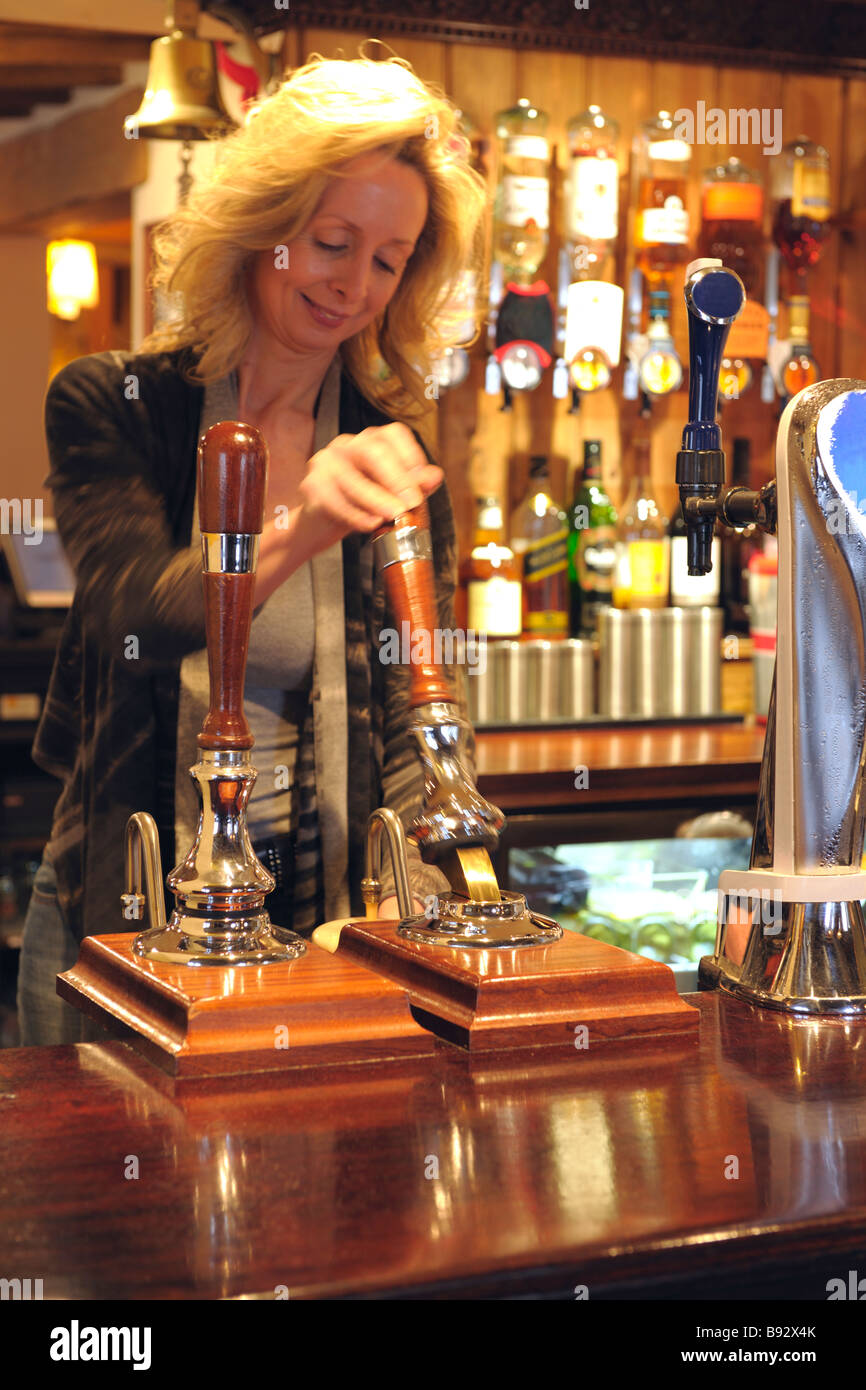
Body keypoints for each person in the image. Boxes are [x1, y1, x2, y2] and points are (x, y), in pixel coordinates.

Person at [17, 54, 488, 1045]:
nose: (353, 283)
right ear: (264, 224)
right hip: (124, 909)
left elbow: (416, 696)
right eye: (331, 241)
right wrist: (301, 523)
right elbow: (134, 619)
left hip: (315, 927)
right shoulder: (118, 404)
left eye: (388, 258)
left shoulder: (384, 441)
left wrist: (436, 882)